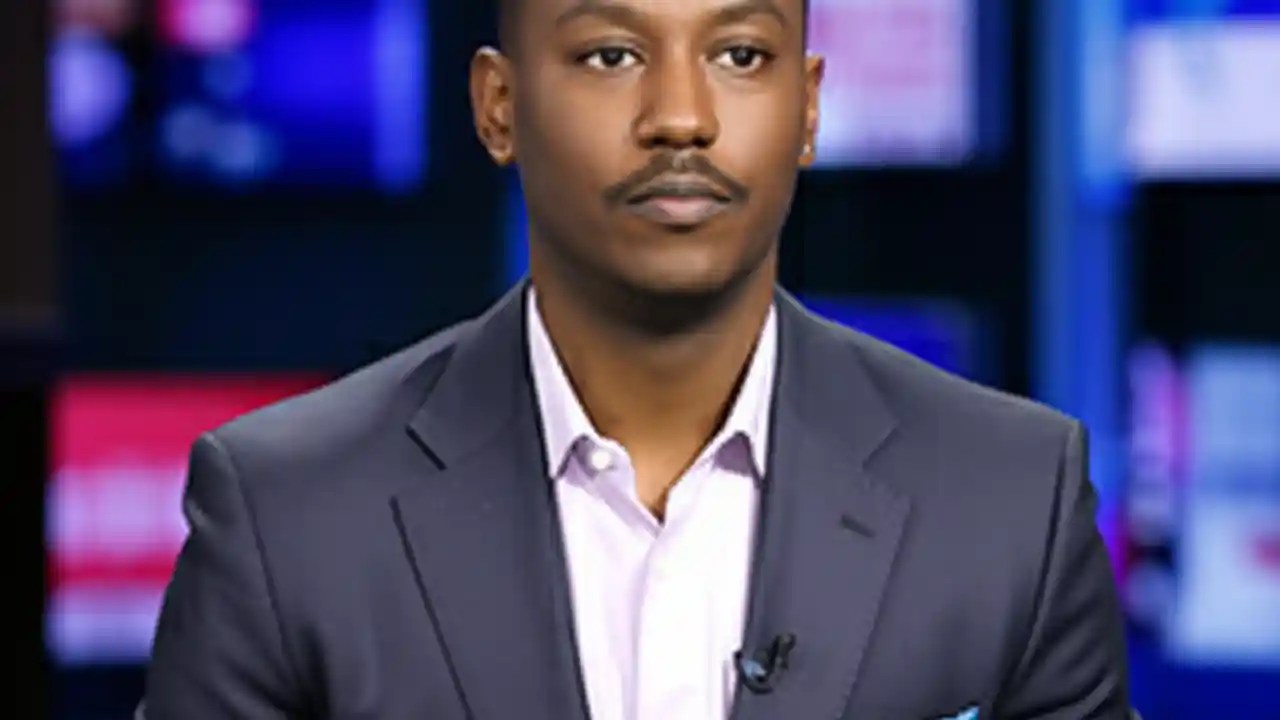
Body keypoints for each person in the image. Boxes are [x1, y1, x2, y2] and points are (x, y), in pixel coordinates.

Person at [138, 0, 1132, 718]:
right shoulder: (289, 509)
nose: (681, 117)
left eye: (740, 54)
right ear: (497, 106)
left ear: (810, 106)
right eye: (612, 55)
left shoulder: (1009, 497)